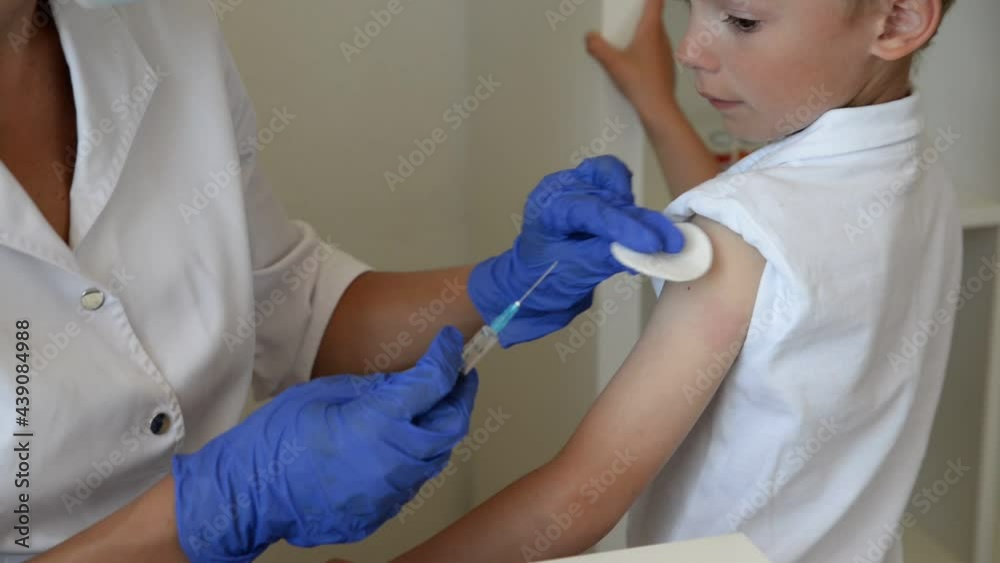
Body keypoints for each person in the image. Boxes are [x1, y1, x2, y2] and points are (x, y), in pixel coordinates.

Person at [0, 0, 685, 561]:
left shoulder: (158, 23)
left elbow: (286, 307)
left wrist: (500, 285)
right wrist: (226, 501)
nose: (696, 52)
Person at [390, 0, 962, 562]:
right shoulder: (917, 173)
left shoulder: (751, 230)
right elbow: (749, 251)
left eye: (741, 20)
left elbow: (580, 498)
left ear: (897, 20)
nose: (689, 50)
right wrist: (658, 106)